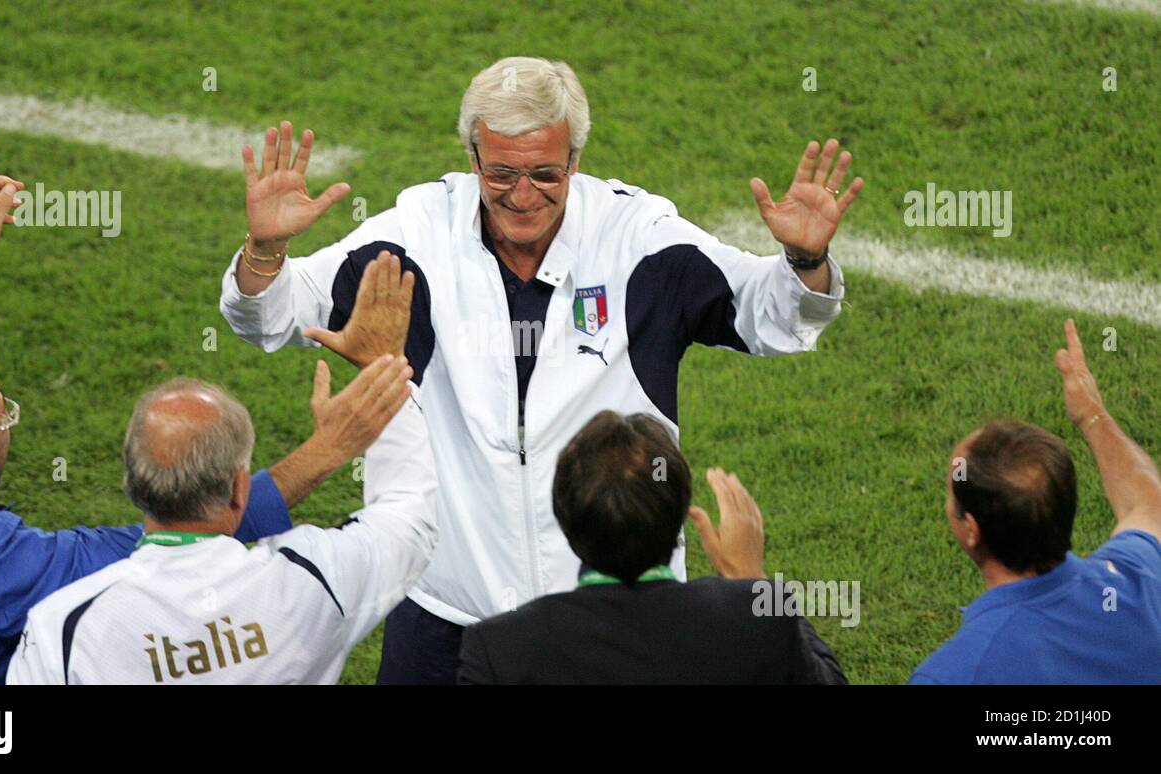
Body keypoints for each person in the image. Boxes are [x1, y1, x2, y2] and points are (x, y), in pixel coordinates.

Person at [219, 56, 864, 683]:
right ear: (471, 157)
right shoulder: (414, 235)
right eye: (501, 174)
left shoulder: (639, 236)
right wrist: (267, 250)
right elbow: (272, 317)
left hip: (609, 609)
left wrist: (805, 259)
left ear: (576, 161)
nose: (523, 196)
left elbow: (771, 316)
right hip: (445, 607)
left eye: (546, 174)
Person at [0, 175, 400, 685]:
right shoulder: (1, 564)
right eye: (5, 415)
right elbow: (195, 524)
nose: (9, 423)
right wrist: (330, 448)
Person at [6, 357, 435, 684]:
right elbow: (410, 516)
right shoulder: (315, 578)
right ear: (240, 489)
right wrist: (385, 365)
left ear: (131, 482)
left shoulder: (61, 628)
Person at [457, 410, 846, 684]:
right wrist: (752, 581)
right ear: (679, 516)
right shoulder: (755, 619)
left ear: (565, 518)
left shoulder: (499, 649)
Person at [910, 319, 1161, 684]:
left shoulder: (954, 673)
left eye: (951, 493)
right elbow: (1149, 506)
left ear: (972, 530)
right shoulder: (1136, 583)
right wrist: (1093, 417)